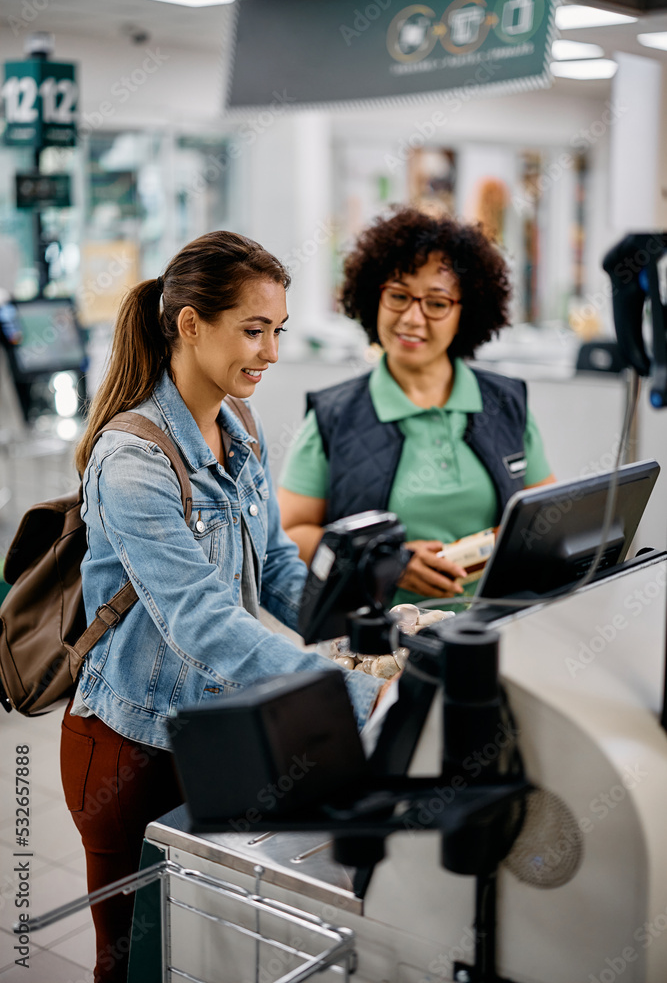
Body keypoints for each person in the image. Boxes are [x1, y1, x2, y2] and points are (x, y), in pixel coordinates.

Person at [60, 231, 387, 983]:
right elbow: (198, 621)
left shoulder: (239, 429)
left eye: (276, 329)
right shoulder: (132, 460)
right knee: (134, 960)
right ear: (189, 325)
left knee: (207, 949)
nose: (270, 351)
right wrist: (354, 693)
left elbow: (273, 567)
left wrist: (370, 633)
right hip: (125, 744)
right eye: (252, 329)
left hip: (213, 728)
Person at [278, 207, 555, 605]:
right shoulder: (333, 416)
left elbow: (546, 514)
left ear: (466, 311)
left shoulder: (506, 404)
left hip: (496, 631)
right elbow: (292, 533)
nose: (412, 318)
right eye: (398, 295)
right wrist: (386, 562)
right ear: (373, 296)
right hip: (379, 644)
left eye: (437, 303)